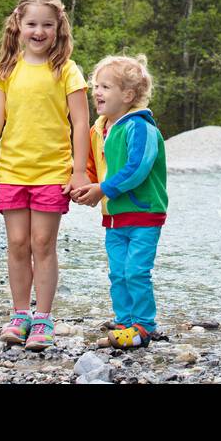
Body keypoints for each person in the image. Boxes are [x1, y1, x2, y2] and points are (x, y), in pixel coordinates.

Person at [0, 0, 89, 351]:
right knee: (17, 243)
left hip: (52, 172)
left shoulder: (66, 70)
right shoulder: (6, 69)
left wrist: (79, 172)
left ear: (58, 27)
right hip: (13, 172)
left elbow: (80, 123)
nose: (39, 31)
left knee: (42, 243)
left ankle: (44, 319)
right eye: (31, 23)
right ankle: (20, 314)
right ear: (18, 24)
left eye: (47, 24)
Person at [72, 54, 167, 349]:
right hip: (113, 218)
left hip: (144, 213)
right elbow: (90, 166)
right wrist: (81, 185)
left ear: (127, 95)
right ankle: (125, 322)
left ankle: (144, 326)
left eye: (105, 87)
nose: (97, 92)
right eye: (95, 86)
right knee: (117, 272)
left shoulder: (140, 127)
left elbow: (137, 168)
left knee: (136, 271)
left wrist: (104, 189)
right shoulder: (98, 129)